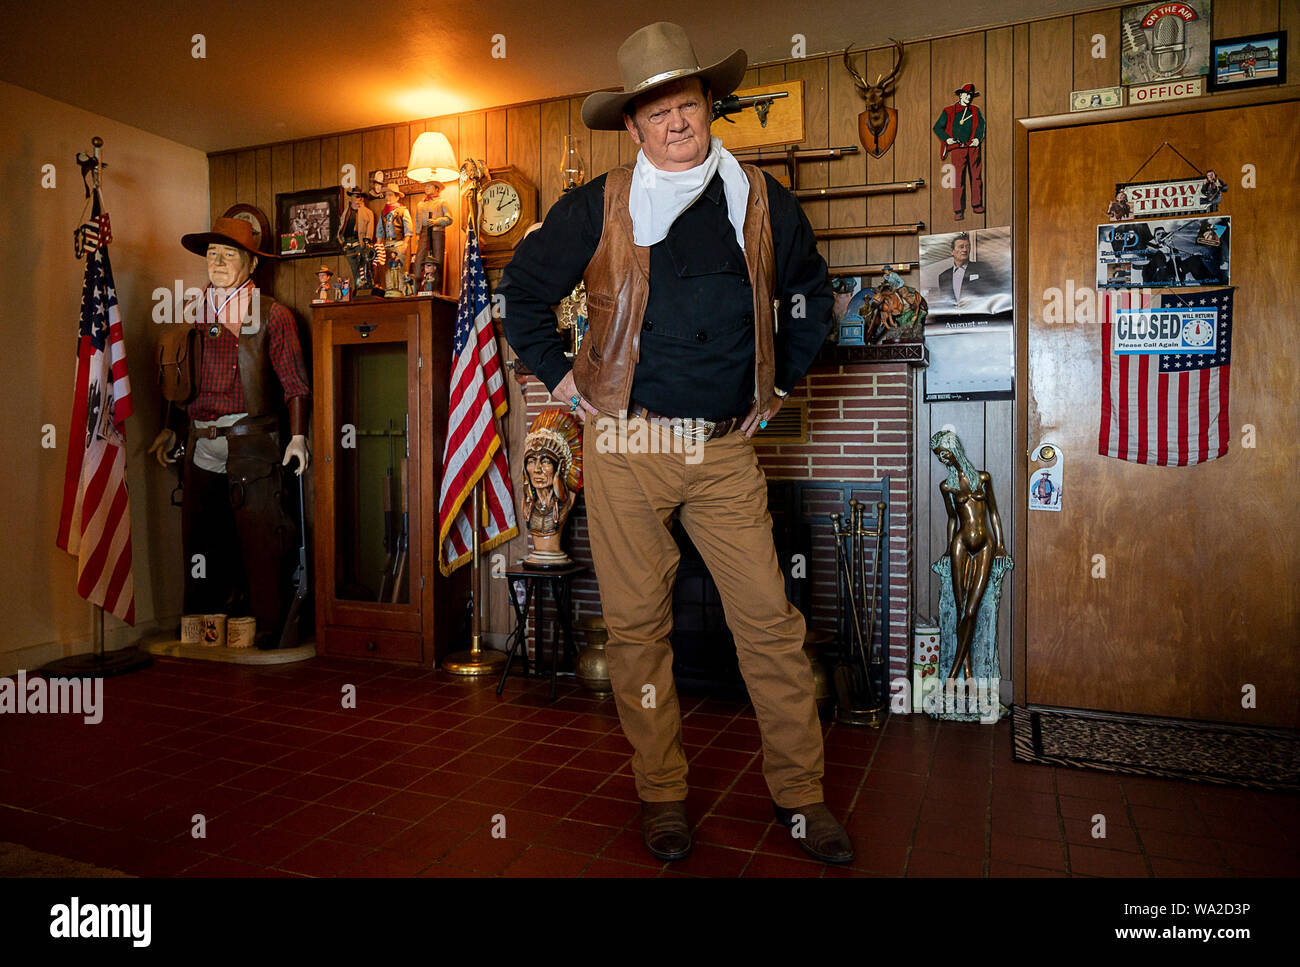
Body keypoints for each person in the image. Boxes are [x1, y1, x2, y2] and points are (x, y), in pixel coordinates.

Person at [498, 21, 851, 865]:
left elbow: (809, 296)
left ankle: (800, 799)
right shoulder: (598, 206)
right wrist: (569, 382)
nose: (676, 122)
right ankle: (662, 792)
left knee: (770, 622)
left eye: (686, 103)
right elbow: (522, 294)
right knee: (636, 629)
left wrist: (780, 382)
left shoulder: (763, 200)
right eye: (657, 112)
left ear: (706, 105)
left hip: (726, 450)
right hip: (625, 443)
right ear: (634, 126)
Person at [147, 217, 311, 648]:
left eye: (229, 254)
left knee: (260, 539)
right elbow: (180, 384)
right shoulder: (192, 314)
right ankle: (205, 627)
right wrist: (170, 430)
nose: (217, 262)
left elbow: (295, 382)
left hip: (252, 443)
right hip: (201, 441)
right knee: (201, 541)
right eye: (212, 254)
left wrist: (298, 437)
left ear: (252, 264)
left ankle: (268, 627)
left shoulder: (272, 315)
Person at [932, 83, 985, 220]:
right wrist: (947, 139)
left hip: (973, 148)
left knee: (976, 177)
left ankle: (977, 205)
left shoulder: (975, 110)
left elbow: (981, 125)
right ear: (960, 95)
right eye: (966, 94)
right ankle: (958, 210)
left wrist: (978, 139)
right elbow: (937, 127)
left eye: (971, 95)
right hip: (957, 149)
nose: (968, 97)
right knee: (957, 180)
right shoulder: (949, 111)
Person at [934, 232, 995, 309]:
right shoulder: (943, 276)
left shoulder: (982, 268)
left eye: (967, 246)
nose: (965, 250)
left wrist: (975, 301)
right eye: (961, 247)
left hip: (978, 316)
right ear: (952, 251)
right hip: (954, 319)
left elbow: (994, 293)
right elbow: (945, 301)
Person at [337, 187, 377, 292]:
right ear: (351, 197)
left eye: (359, 196)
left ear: (362, 199)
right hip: (348, 243)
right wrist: (341, 239)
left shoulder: (368, 213)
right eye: (354, 195)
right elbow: (341, 226)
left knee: (363, 266)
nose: (356, 198)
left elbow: (370, 229)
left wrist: (367, 242)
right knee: (354, 268)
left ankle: (366, 286)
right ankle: (357, 287)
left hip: (360, 243)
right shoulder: (346, 212)